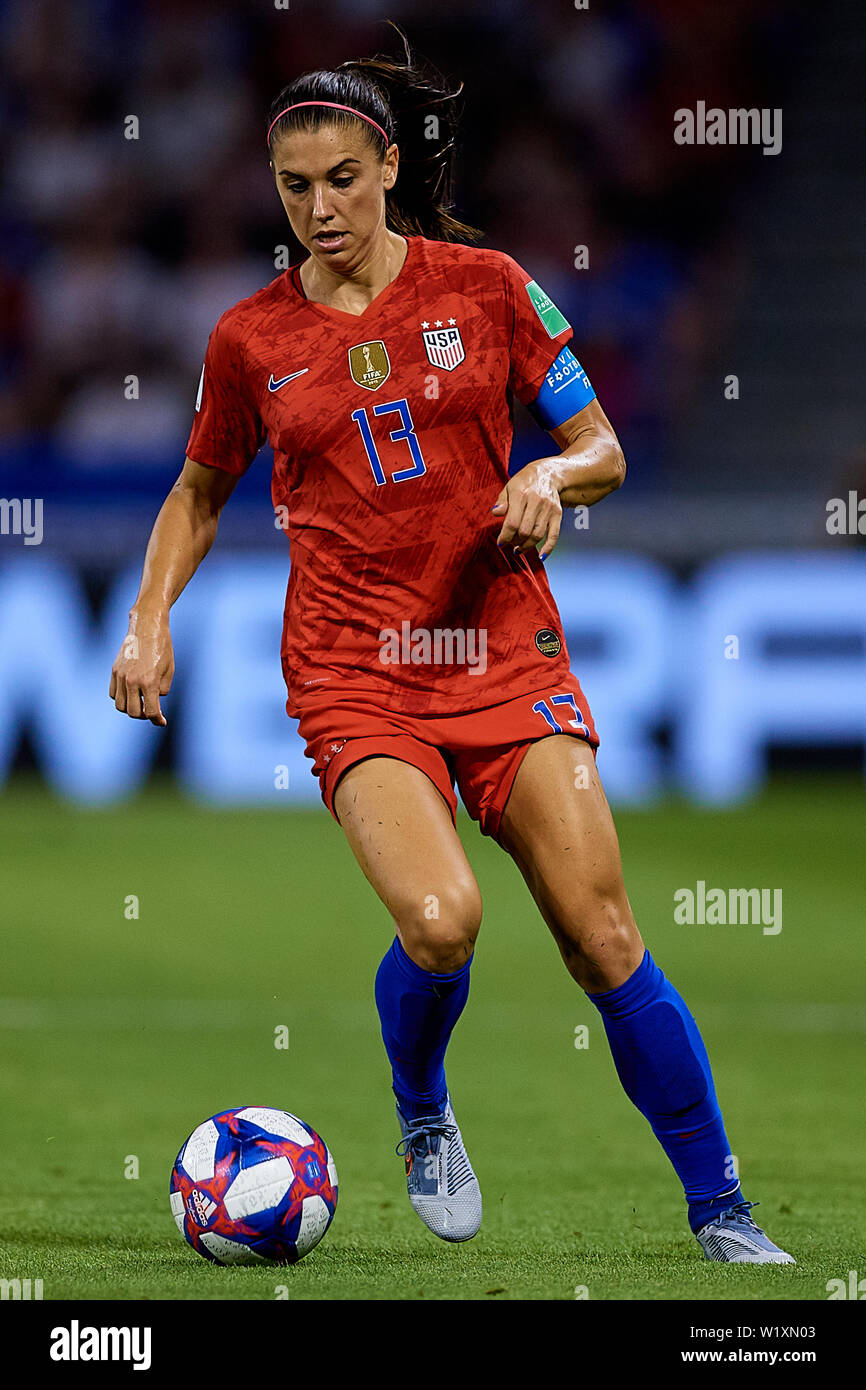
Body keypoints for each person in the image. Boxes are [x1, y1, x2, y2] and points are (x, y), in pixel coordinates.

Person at [110, 37, 793, 1264]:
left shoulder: (486, 289)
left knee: (603, 936)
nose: (317, 209)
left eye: (339, 179)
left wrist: (550, 474)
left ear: (387, 164)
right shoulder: (248, 339)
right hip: (353, 673)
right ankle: (421, 1109)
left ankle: (721, 1211)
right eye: (292, 187)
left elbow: (602, 447)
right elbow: (199, 492)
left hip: (503, 654)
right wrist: (147, 618)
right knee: (441, 921)